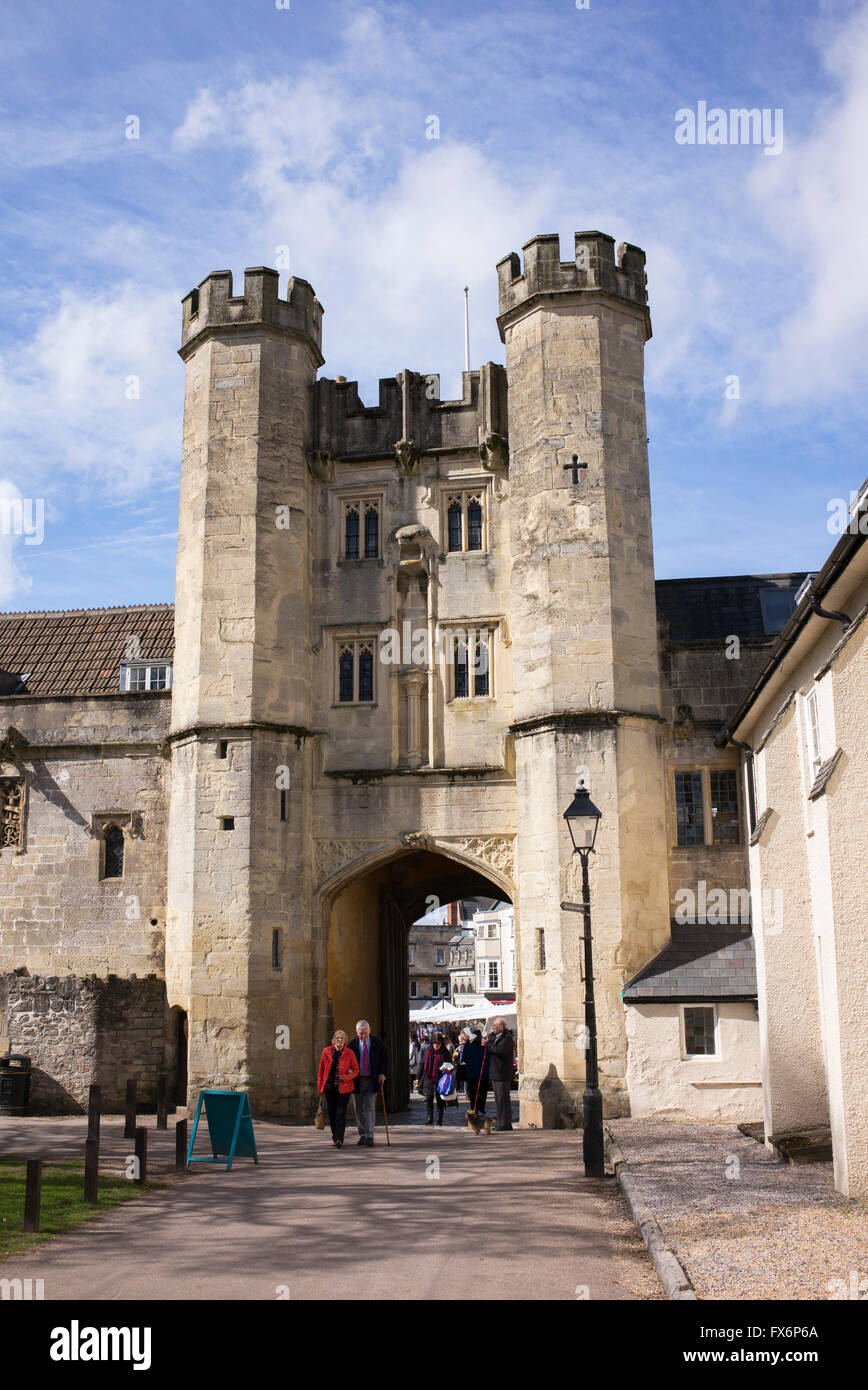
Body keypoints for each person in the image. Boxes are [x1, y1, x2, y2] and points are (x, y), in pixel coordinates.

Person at [347, 1019, 388, 1147]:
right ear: (356, 1032)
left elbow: (384, 1059)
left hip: (372, 1079)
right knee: (358, 1108)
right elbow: (345, 1061)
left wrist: (382, 1073)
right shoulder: (352, 1045)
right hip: (357, 1080)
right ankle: (362, 1134)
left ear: (369, 1031)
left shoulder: (377, 1043)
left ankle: (370, 1135)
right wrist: (347, 1070)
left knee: (370, 1107)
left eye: (365, 1033)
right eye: (360, 1033)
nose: (363, 1036)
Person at [317, 1029, 360, 1148]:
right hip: (329, 1088)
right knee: (332, 1114)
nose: (339, 1040)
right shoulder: (326, 1051)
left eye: (342, 1038)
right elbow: (321, 1070)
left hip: (344, 1088)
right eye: (337, 1038)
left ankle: (339, 1139)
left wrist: (346, 1077)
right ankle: (335, 1137)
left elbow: (356, 1070)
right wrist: (320, 1087)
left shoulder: (349, 1053)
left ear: (345, 1040)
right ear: (334, 1040)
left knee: (340, 1113)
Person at [483, 1017, 515, 1131]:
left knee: (503, 1099)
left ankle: (505, 1123)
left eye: (495, 1026)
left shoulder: (507, 1039)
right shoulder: (496, 1037)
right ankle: (501, 1122)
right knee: (498, 1100)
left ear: (501, 1027)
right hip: (496, 1072)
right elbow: (491, 1040)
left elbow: (499, 1050)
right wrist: (489, 1039)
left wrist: (487, 1045)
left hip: (502, 1073)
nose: (493, 1028)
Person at [418, 1031, 452, 1126]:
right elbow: (423, 1064)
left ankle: (439, 1119)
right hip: (429, 1077)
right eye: (434, 1043)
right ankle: (430, 1117)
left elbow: (450, 1065)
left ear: (441, 1043)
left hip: (441, 1078)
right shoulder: (428, 1051)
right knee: (429, 1098)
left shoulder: (445, 1052)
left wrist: (446, 1068)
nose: (436, 1045)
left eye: (438, 1043)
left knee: (440, 1099)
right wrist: (418, 1076)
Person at [463, 1028, 492, 1134]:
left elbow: (464, 1058)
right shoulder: (484, 1047)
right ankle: (481, 1109)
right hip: (482, 1074)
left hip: (473, 1074)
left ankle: (474, 1111)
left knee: (474, 1094)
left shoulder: (469, 1045)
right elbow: (488, 1058)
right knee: (482, 1093)